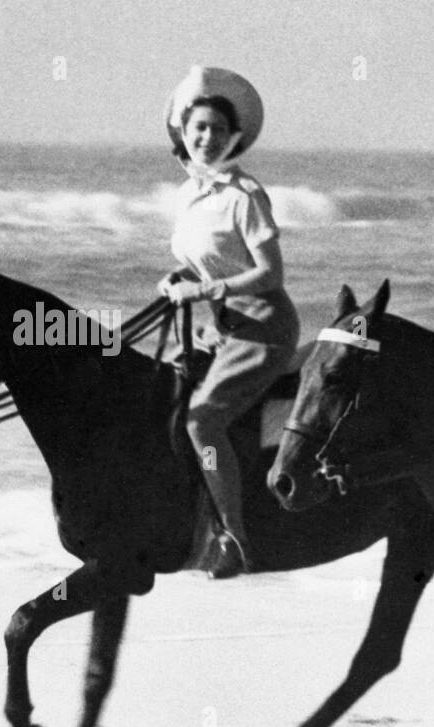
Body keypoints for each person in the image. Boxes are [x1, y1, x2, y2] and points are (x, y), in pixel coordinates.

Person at [160, 66, 300, 578]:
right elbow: (205, 259)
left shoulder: (244, 195)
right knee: (166, 396)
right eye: (199, 129)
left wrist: (205, 289)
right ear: (184, 132)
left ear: (233, 138)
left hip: (263, 328)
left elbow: (270, 273)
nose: (207, 138)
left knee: (203, 419)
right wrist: (180, 277)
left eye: (218, 131)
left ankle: (235, 539)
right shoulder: (189, 194)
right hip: (221, 327)